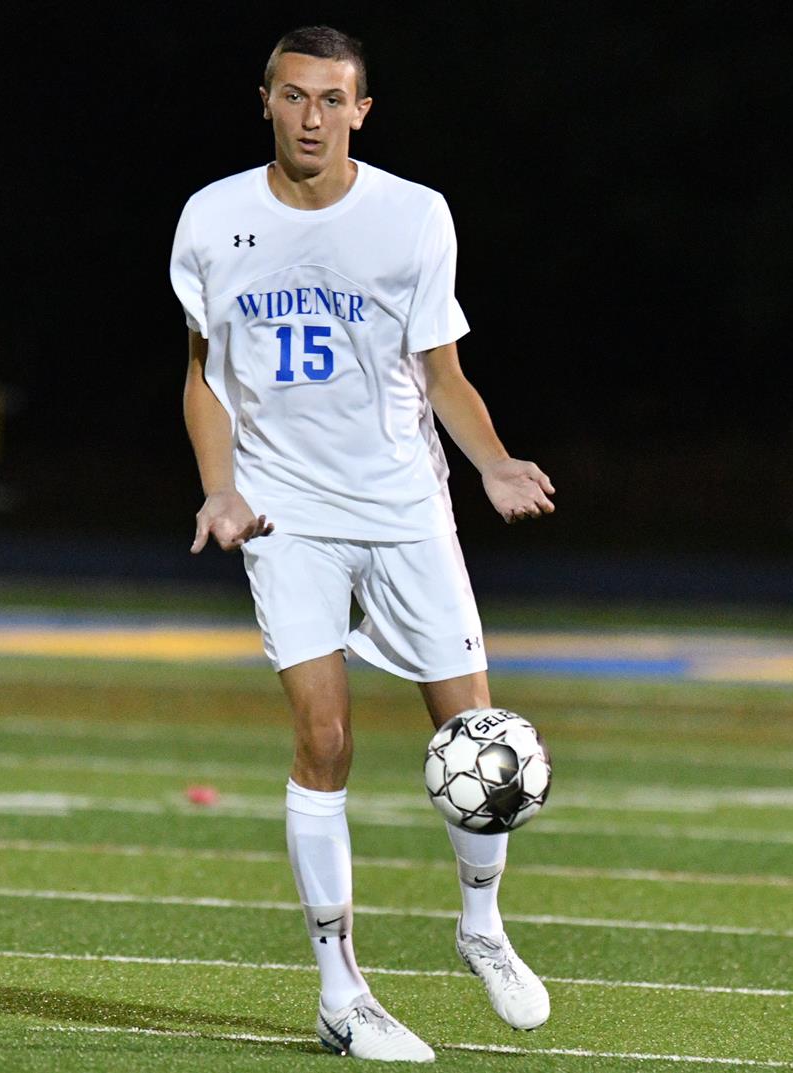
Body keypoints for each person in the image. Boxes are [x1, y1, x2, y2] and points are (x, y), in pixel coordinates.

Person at [171, 25, 555, 1063]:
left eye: (332, 100)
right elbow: (203, 374)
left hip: (402, 507)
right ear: (264, 100)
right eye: (293, 97)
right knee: (325, 737)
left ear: (361, 111)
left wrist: (493, 461)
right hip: (284, 512)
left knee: (476, 741)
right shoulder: (213, 216)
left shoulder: (412, 215)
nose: (312, 117)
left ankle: (479, 922)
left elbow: (441, 373)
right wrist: (220, 488)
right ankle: (342, 991)